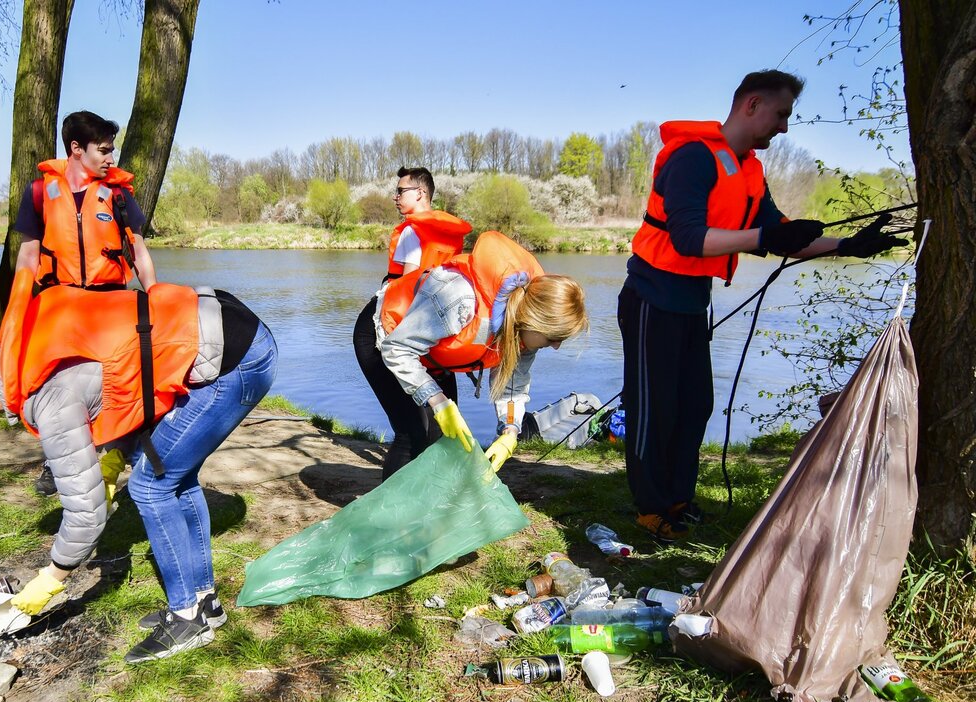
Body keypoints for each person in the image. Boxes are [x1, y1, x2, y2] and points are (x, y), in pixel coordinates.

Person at [619, 69, 907, 544]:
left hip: (691, 301)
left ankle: (677, 501)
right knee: (656, 409)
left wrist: (849, 246)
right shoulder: (693, 158)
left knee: (695, 406)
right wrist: (766, 237)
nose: (784, 127)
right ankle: (651, 510)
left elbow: (780, 232)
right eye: (781, 114)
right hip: (652, 296)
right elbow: (690, 239)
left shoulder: (748, 168)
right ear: (751, 105)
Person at [0, 267, 278, 663]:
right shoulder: (30, 344)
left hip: (235, 357)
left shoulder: (47, 394)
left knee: (153, 485)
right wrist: (113, 460)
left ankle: (189, 620)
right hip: (220, 322)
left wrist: (49, 581)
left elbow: (86, 514)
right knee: (171, 475)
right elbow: (117, 382)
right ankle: (203, 605)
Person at [359, 230, 588, 479]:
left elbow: (512, 386)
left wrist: (510, 431)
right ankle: (394, 516)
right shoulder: (461, 299)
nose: (556, 346)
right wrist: (436, 400)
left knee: (445, 437)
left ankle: (427, 506)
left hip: (430, 352)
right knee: (415, 432)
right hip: (384, 335)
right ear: (534, 321)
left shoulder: (523, 335)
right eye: (554, 338)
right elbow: (398, 348)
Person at [13, 110, 160, 497]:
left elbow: (139, 252)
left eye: (113, 150)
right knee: (55, 386)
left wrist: (155, 295)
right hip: (58, 306)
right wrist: (19, 309)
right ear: (76, 149)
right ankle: (56, 461)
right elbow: (28, 256)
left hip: (110, 306)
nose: (111, 158)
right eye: (104, 150)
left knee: (111, 384)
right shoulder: (40, 193)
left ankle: (112, 460)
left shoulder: (118, 194)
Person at [353, 167, 471, 477]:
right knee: (437, 426)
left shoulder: (412, 230)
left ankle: (405, 510)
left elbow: (409, 285)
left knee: (413, 432)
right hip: (432, 329)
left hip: (398, 326)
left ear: (420, 193)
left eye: (401, 190)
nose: (395, 196)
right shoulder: (448, 234)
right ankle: (418, 505)